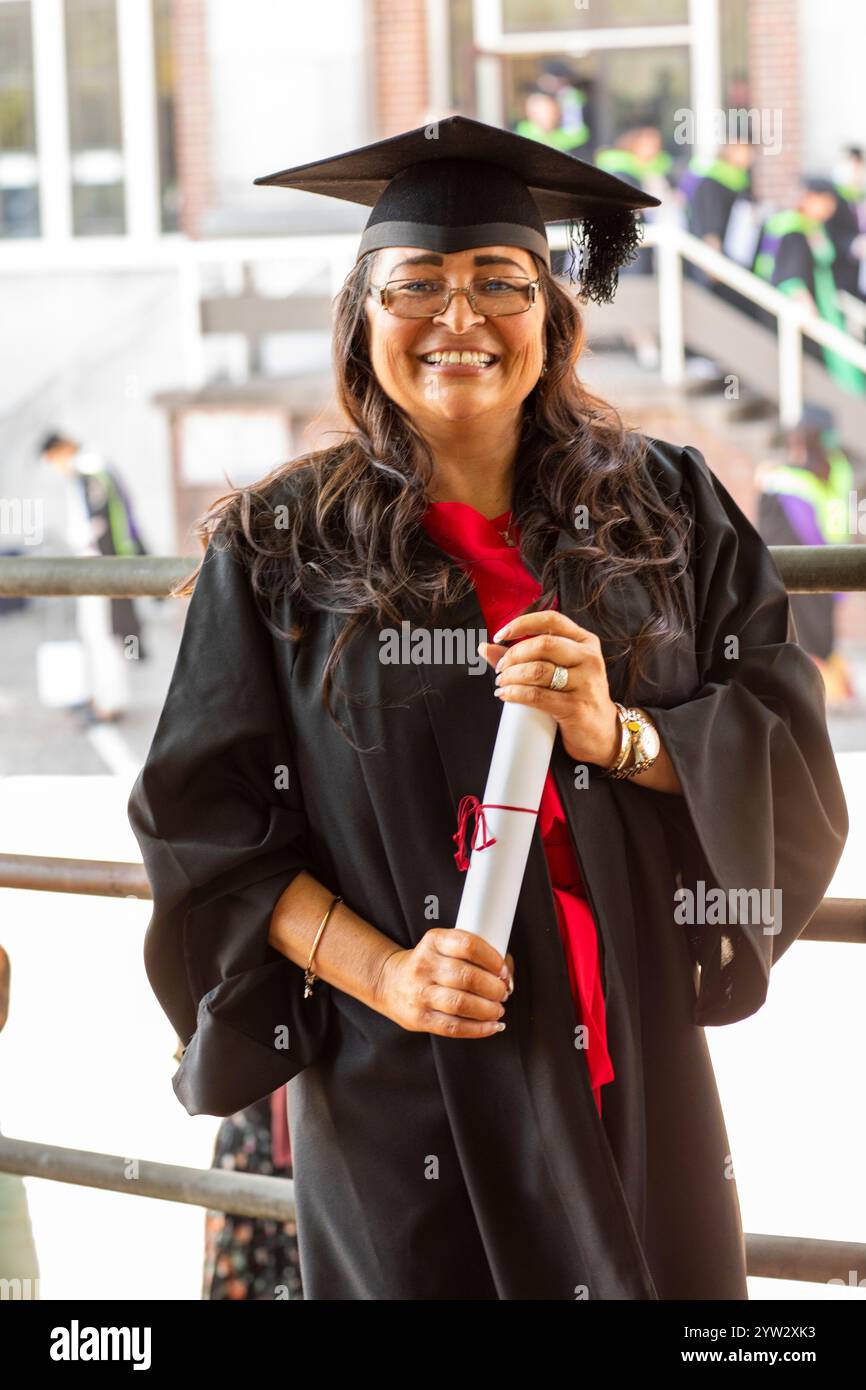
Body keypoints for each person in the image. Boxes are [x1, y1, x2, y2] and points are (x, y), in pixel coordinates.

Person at [128, 115, 848, 1301]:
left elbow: (779, 723)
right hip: (413, 1079)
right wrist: (386, 976)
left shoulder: (662, 506)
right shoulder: (279, 547)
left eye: (498, 285)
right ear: (364, 320)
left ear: (550, 318)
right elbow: (205, 835)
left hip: (632, 1056)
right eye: (415, 285)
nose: (457, 320)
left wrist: (621, 733)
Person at [37, 431, 150, 722]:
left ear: (62, 449)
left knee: (107, 634)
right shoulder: (87, 471)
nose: (55, 466)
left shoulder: (92, 469)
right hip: (92, 564)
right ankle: (98, 695)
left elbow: (105, 524)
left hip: (102, 565)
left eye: (53, 459)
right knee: (93, 632)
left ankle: (111, 702)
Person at [756, 405, 857, 708]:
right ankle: (825, 689)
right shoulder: (826, 472)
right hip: (821, 566)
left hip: (816, 567)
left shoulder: (794, 479)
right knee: (812, 635)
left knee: (811, 634)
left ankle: (823, 690)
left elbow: (813, 530)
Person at [753, 178, 866, 396]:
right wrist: (808, 308)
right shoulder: (793, 229)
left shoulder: (807, 227)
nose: (830, 207)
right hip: (807, 309)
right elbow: (791, 276)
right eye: (825, 201)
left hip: (824, 301)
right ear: (809, 198)